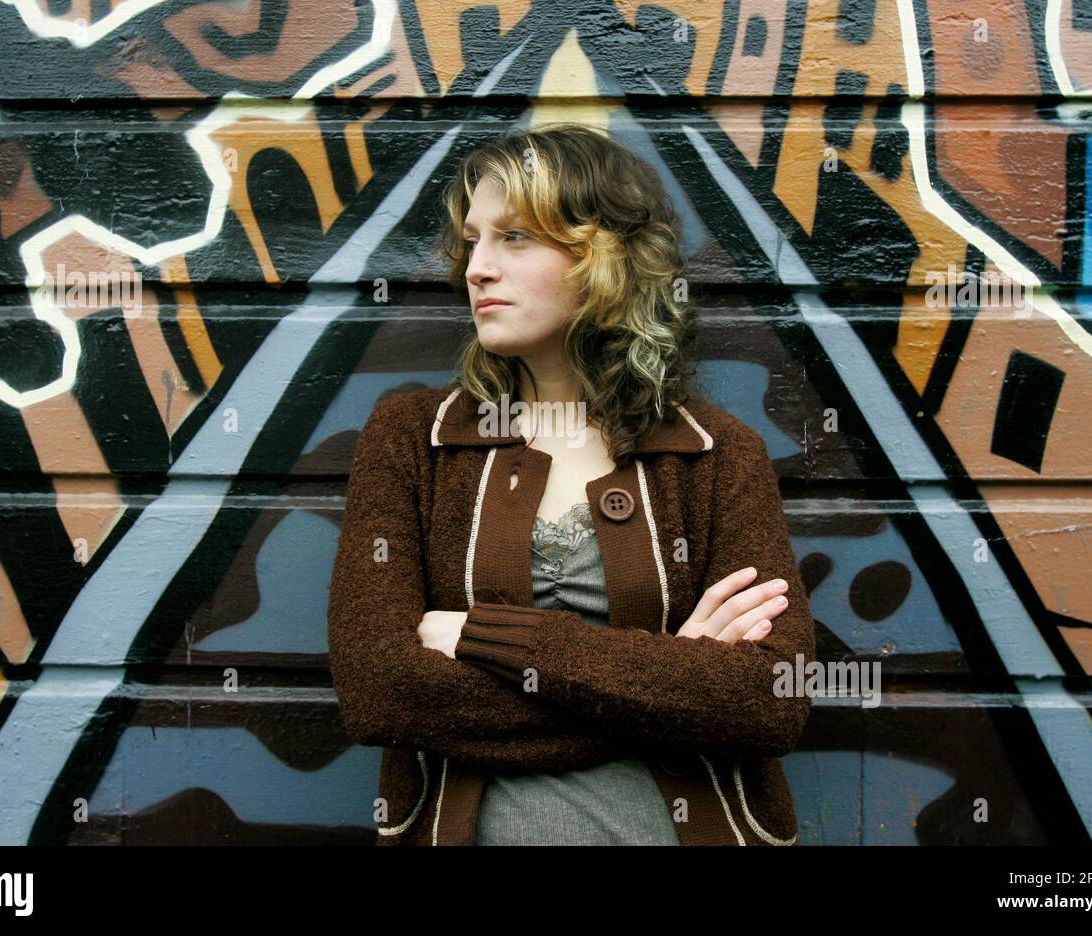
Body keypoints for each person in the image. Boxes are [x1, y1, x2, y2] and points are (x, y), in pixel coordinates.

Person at [327, 122, 815, 845]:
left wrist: (488, 639)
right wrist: (671, 682)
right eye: (473, 240)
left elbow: (771, 701)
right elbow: (381, 691)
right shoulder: (415, 439)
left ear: (606, 257)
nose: (477, 268)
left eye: (515, 237)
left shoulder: (713, 456)